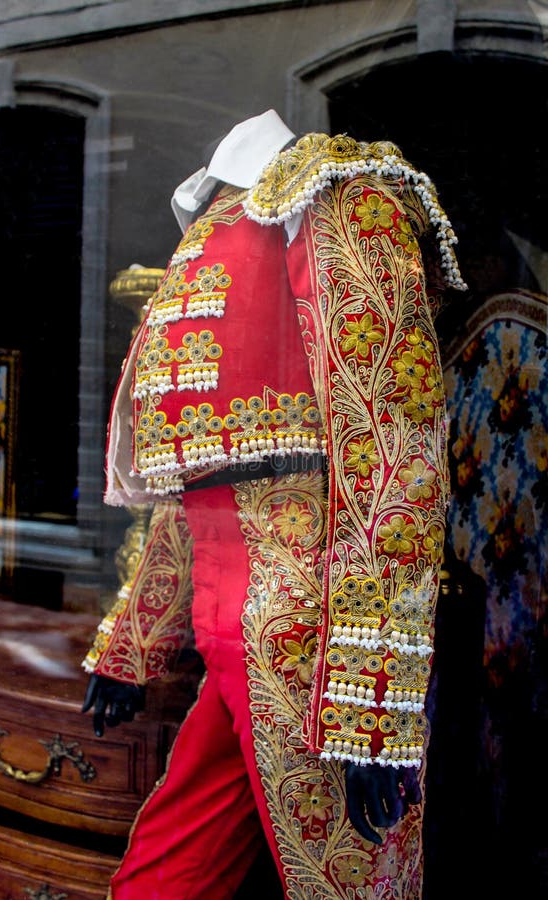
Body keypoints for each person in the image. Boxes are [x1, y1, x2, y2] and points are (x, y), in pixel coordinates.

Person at [81, 109, 467, 899]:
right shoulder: (213, 228)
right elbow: (194, 488)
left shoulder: (337, 193)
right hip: (235, 633)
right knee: (167, 874)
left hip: (320, 649)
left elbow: (392, 446)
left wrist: (373, 698)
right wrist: (135, 641)